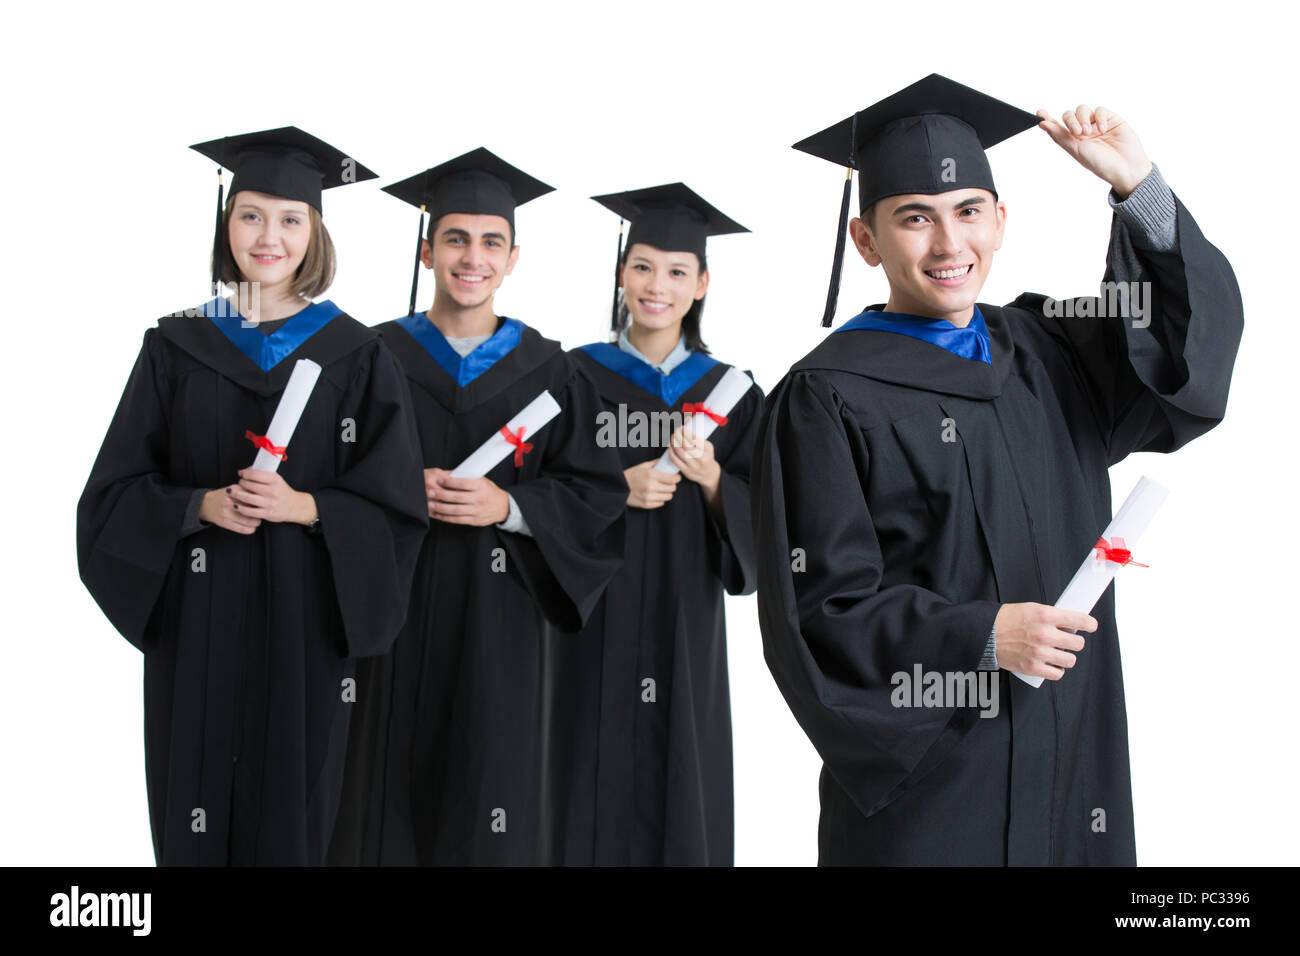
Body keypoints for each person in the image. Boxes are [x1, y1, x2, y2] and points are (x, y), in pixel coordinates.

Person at [752, 75, 1243, 865]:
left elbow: (1186, 367)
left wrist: (1139, 188)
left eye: (969, 212)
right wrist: (979, 635)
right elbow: (818, 614)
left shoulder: (1048, 350)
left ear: (1002, 221)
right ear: (867, 241)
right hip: (935, 785)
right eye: (915, 218)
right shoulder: (826, 397)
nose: (950, 246)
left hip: (1072, 762)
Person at [76, 126, 429, 865]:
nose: (269, 237)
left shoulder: (357, 355)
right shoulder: (175, 347)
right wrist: (197, 506)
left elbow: (400, 508)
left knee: (292, 816)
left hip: (305, 624)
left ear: (315, 234)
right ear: (226, 223)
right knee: (192, 804)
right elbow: (110, 498)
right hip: (197, 624)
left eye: (291, 219)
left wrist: (305, 507)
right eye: (251, 215)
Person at [326, 148, 628, 866]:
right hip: (385, 617)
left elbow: (596, 496)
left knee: (488, 799)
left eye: (491, 242)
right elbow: (327, 480)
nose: (473, 257)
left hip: (500, 626)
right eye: (456, 238)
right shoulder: (372, 356)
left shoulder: (551, 369)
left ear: (514, 257)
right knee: (375, 800)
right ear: (427, 249)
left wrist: (509, 505)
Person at [547, 184, 762, 865]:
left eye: (676, 271)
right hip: (587, 617)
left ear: (701, 283)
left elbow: (765, 517)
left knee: (679, 768)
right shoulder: (572, 376)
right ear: (621, 273)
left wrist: (712, 480)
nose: (656, 285)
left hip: (683, 620)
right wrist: (616, 487)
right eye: (642, 266)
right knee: (577, 771)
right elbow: (537, 494)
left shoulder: (731, 390)